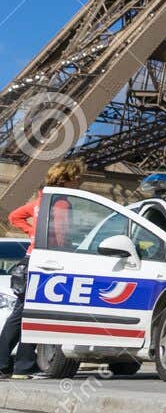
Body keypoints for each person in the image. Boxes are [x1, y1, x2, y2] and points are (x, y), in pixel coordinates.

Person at [0, 159, 86, 378]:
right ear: (67, 179)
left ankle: (17, 365)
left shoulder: (42, 200)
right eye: (77, 177)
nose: (80, 181)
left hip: (31, 259)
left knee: (24, 314)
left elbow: (14, 216)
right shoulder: (61, 203)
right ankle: (18, 365)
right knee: (28, 315)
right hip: (48, 261)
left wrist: (31, 232)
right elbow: (60, 235)